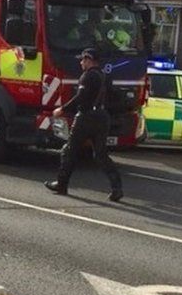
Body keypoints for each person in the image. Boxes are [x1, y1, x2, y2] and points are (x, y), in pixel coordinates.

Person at [44, 48, 123, 201]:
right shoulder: (104, 76)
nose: (81, 63)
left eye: (83, 60)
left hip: (86, 117)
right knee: (100, 155)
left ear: (89, 60)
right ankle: (117, 188)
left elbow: (80, 97)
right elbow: (115, 96)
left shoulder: (87, 76)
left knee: (69, 150)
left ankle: (61, 183)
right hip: (102, 117)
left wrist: (63, 109)